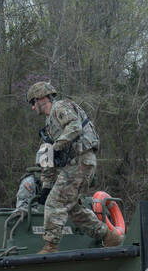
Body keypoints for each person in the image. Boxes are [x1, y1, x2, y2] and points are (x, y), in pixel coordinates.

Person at [26, 80, 121, 254]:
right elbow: (48, 156)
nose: (32, 107)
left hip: (80, 161)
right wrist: (46, 186)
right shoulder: (49, 127)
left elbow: (75, 127)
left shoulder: (59, 107)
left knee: (55, 203)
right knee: (73, 209)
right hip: (75, 165)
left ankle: (51, 246)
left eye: (33, 102)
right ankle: (109, 236)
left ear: (41, 98)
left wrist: (56, 147)